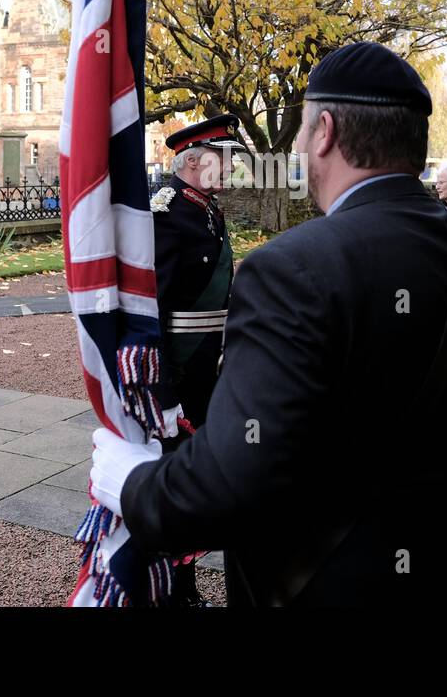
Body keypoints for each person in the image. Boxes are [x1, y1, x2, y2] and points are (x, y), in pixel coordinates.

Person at [90, 42, 447, 606]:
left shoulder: (290, 269)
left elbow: (228, 486)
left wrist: (132, 483)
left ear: (324, 132)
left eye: (302, 129)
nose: (297, 146)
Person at [149, 113, 248, 605]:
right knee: (178, 482)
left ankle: (180, 588)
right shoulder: (167, 212)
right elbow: (152, 307)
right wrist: (163, 387)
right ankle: (171, 591)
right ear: (192, 162)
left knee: (194, 478)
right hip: (181, 369)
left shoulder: (206, 208)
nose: (231, 169)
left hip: (206, 368)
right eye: (222, 160)